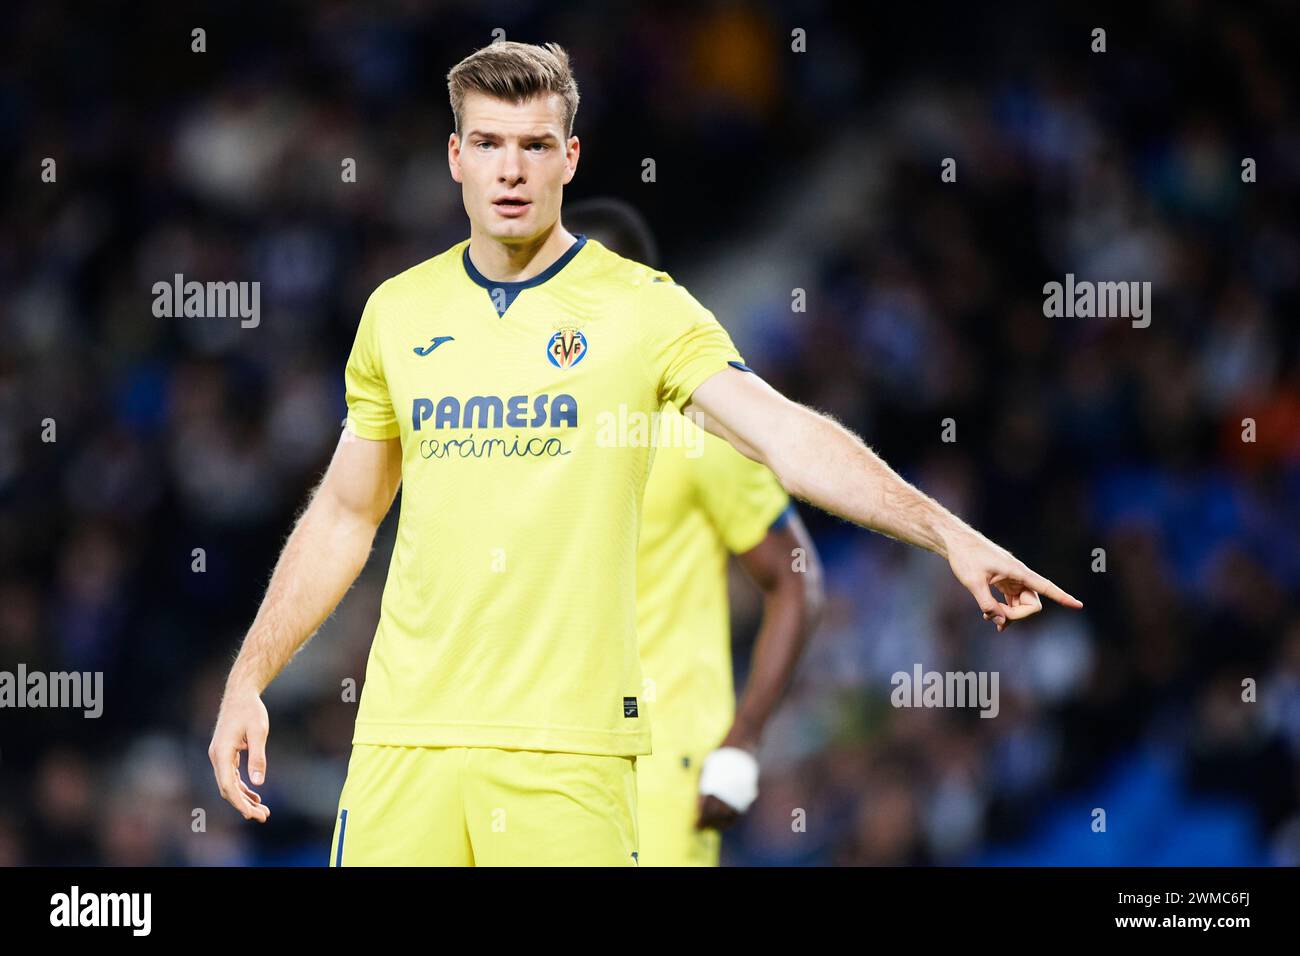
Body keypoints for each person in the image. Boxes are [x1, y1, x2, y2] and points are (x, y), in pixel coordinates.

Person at [208, 40, 1082, 866]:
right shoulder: (397, 313)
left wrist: (946, 533)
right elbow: (346, 512)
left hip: (569, 755)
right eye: (488, 142)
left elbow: (785, 434)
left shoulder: (643, 310)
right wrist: (250, 674)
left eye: (535, 144)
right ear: (454, 157)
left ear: (571, 158)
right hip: (403, 744)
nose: (511, 168)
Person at [566, 197, 825, 866]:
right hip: (543, 770)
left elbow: (795, 581)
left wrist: (743, 738)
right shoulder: (526, 436)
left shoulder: (700, 426)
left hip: (659, 772)